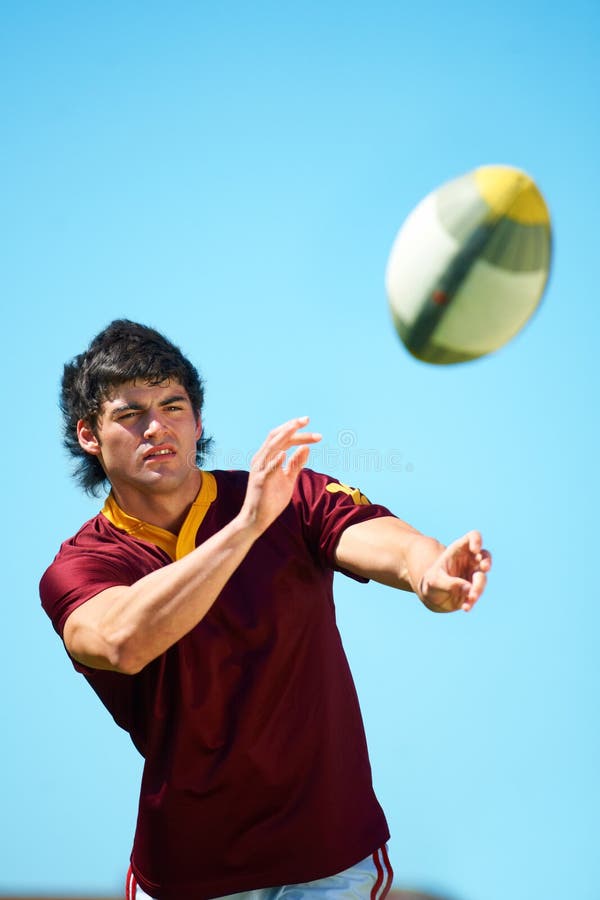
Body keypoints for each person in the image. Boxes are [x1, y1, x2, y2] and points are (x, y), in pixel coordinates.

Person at [40, 320, 491, 900]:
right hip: (186, 872)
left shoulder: (288, 496)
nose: (157, 427)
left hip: (331, 859)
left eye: (173, 405)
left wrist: (430, 572)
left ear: (198, 422)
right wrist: (246, 528)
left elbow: (389, 542)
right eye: (130, 414)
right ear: (89, 436)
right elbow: (121, 642)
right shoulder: (81, 567)